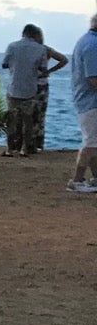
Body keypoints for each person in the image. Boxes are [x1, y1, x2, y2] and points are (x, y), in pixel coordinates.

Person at [0, 23, 53, 157]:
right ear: (34, 35)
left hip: (14, 87)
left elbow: (4, 64)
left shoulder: (12, 46)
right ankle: (25, 148)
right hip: (30, 88)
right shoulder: (40, 49)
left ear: (23, 33)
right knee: (28, 120)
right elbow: (43, 69)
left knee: (11, 120)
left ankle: (11, 149)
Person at [67, 11, 97, 193]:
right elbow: (94, 79)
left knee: (95, 142)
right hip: (91, 102)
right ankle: (76, 180)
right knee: (91, 143)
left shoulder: (86, 41)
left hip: (85, 101)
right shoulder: (93, 45)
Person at [29, 26, 67, 153]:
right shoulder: (45, 50)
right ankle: (37, 144)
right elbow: (63, 60)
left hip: (31, 84)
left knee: (29, 115)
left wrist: (49, 71)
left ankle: (28, 144)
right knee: (39, 116)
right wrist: (49, 71)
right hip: (41, 84)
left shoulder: (36, 49)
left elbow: (63, 60)